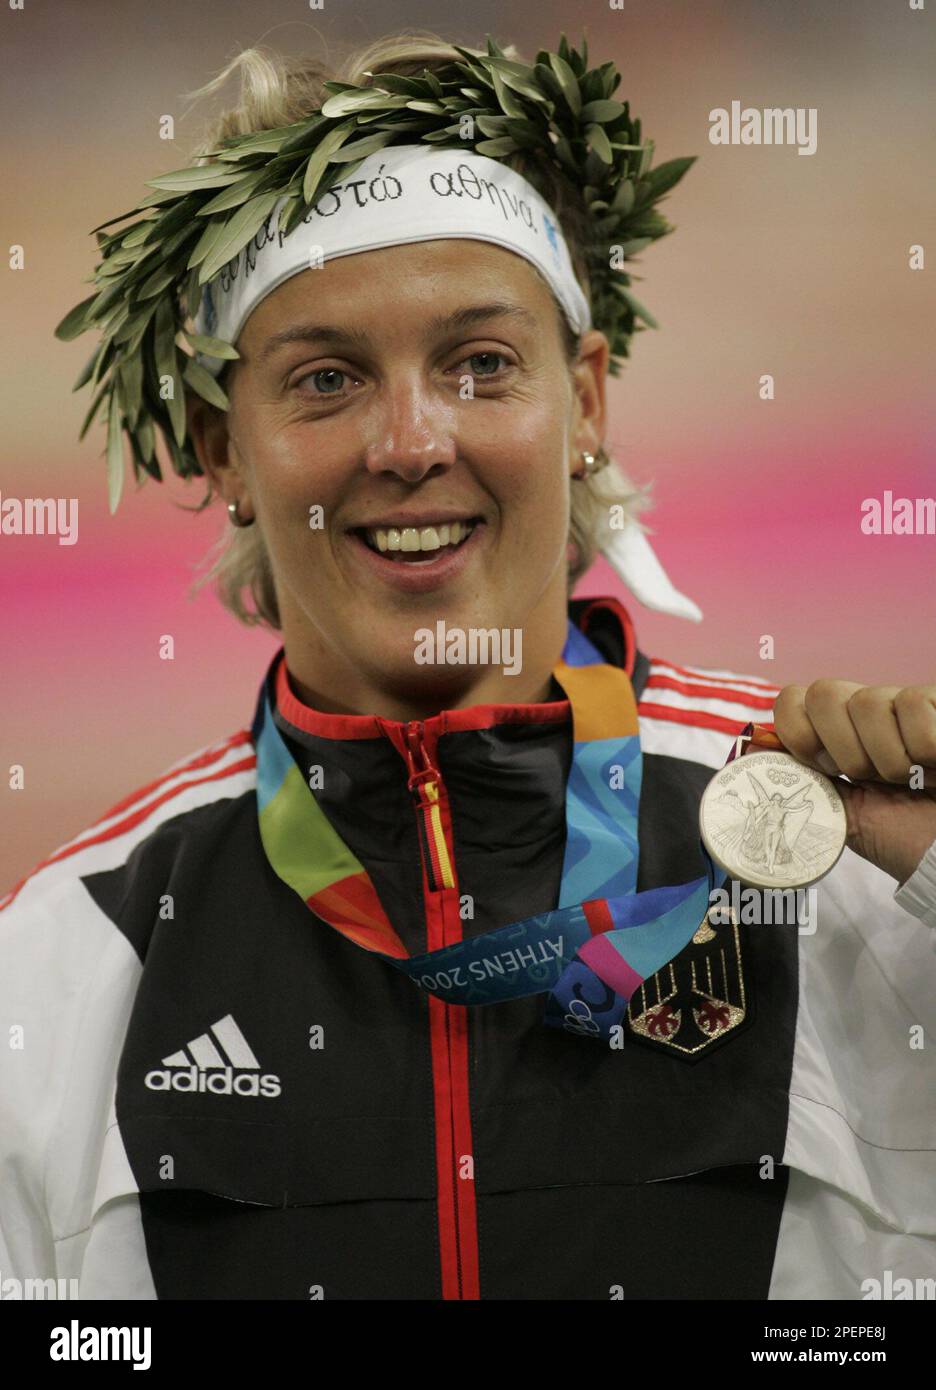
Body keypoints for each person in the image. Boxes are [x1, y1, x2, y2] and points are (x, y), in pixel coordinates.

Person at [2, 30, 935, 1302]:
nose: (410, 439)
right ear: (222, 449)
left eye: (481, 363)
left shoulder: (844, 857)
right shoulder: (66, 959)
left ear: (587, 403)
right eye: (326, 379)